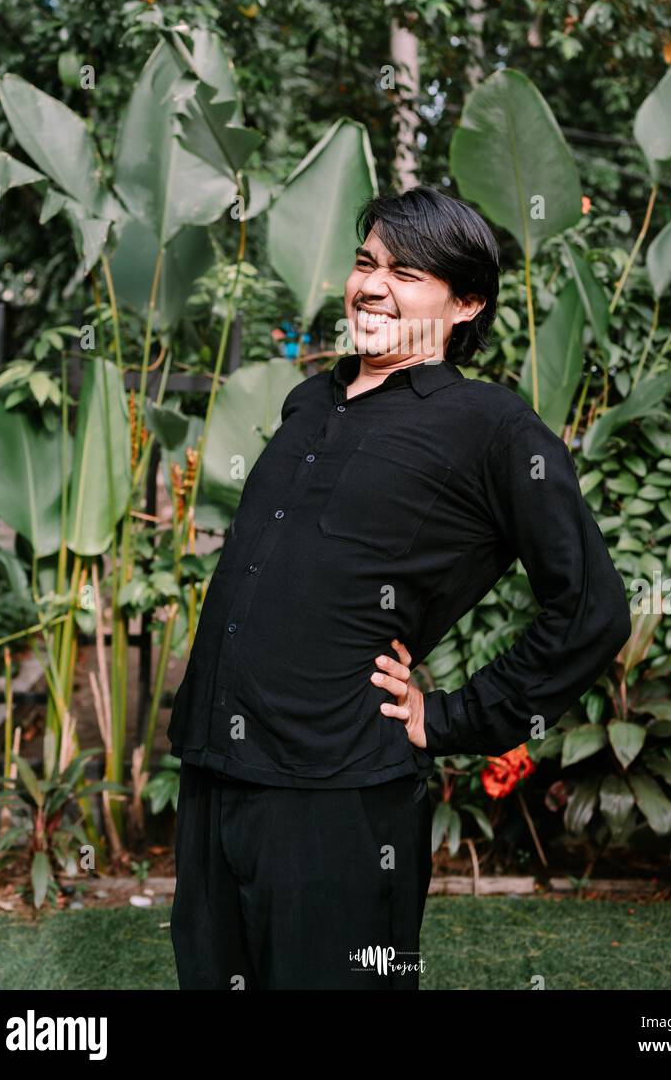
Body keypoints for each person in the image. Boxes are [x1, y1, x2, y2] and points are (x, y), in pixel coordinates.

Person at [168, 186, 631, 990]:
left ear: (466, 304)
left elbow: (591, 608)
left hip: (338, 798)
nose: (372, 285)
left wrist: (453, 717)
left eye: (407, 272)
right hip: (216, 774)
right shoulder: (309, 402)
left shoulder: (491, 427)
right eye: (364, 263)